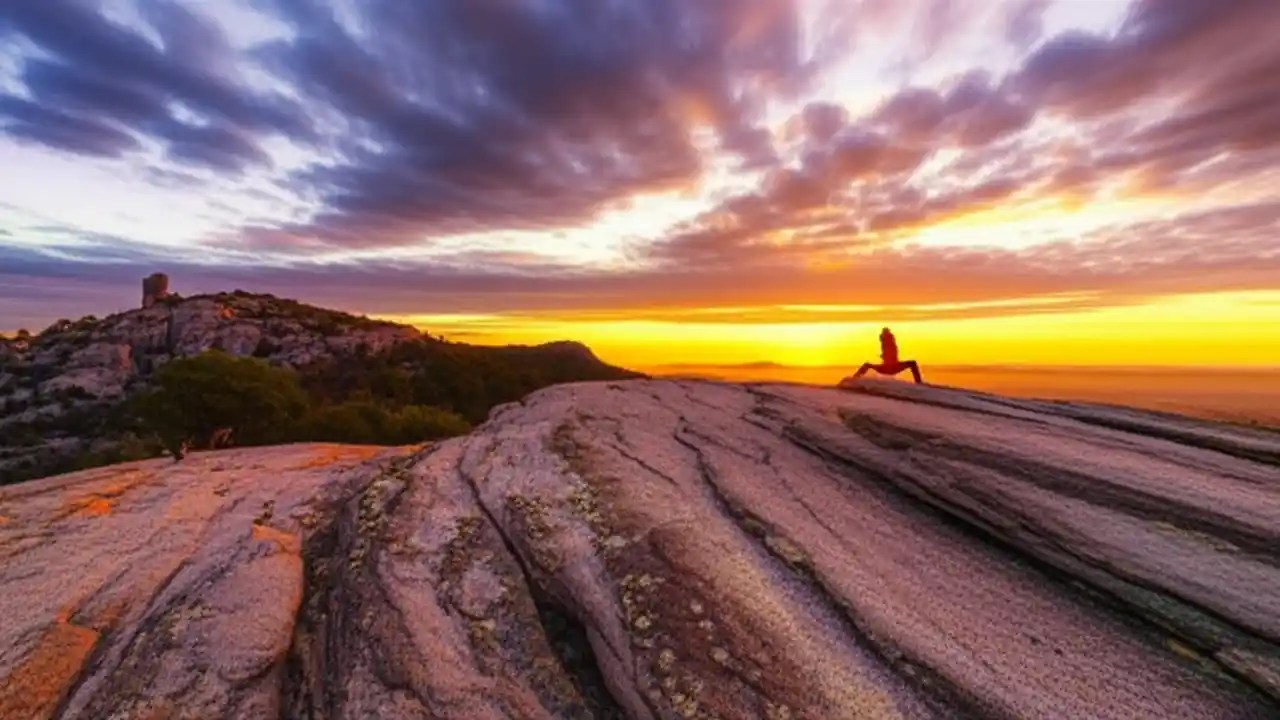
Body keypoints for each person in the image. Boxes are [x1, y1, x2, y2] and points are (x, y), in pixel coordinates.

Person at [850, 327, 923, 384]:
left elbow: (891, 350)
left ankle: (919, 383)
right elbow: (888, 350)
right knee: (867, 365)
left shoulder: (889, 341)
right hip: (887, 368)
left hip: (893, 367)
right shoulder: (885, 342)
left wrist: (885, 355)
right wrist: (884, 355)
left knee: (912, 363)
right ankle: (854, 379)